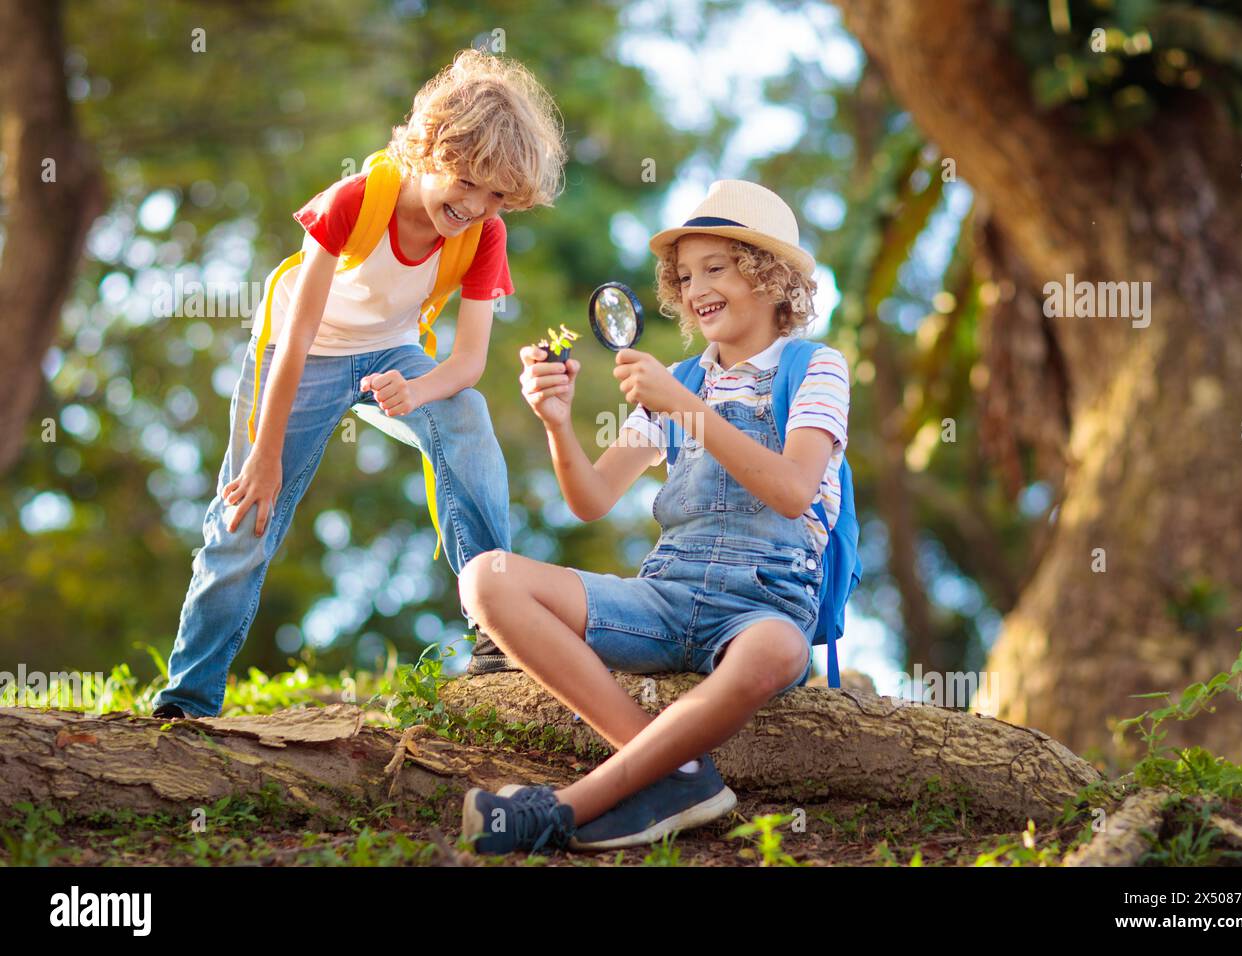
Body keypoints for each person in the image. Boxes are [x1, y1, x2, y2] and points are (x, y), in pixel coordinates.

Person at [152, 49, 565, 719]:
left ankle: (498, 623)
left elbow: (467, 363)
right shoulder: (354, 201)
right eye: (466, 181)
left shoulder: (484, 236)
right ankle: (188, 700)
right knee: (246, 516)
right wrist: (266, 456)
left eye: (496, 196)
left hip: (390, 353)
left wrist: (417, 393)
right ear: (428, 149)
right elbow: (295, 340)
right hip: (299, 354)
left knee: (466, 414)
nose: (475, 206)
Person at [458, 180, 852, 854]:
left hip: (763, 602)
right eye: (686, 275)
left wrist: (683, 407)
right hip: (665, 594)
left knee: (780, 650)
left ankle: (563, 809)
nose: (696, 289)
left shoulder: (815, 367)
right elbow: (591, 498)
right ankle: (678, 775)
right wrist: (557, 423)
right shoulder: (681, 378)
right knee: (486, 579)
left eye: (716, 268)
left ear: (768, 276)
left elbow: (792, 489)